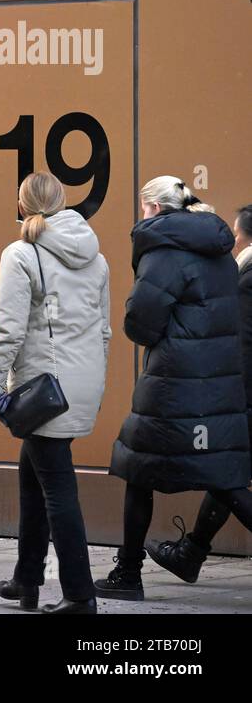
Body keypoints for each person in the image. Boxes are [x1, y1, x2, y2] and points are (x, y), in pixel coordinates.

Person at [96, 177, 252, 600]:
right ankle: (132, 571)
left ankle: (128, 575)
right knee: (224, 475)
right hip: (217, 380)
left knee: (138, 467)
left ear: (153, 206)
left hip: (173, 381)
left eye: (143, 206)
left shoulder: (163, 251)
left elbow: (141, 323)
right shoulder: (219, 249)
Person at [0, 172, 110, 614]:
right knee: (33, 477)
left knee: (57, 491)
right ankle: (27, 580)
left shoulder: (21, 254)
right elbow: (104, 332)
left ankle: (79, 595)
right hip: (81, 384)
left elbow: (9, 329)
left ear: (22, 207)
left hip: (43, 389)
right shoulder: (98, 258)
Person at [145, 202, 252, 583]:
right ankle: (191, 552)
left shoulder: (246, 276)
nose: (234, 242)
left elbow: (240, 344)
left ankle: (190, 552)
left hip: (240, 395)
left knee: (225, 475)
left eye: (238, 235)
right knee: (227, 474)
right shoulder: (236, 272)